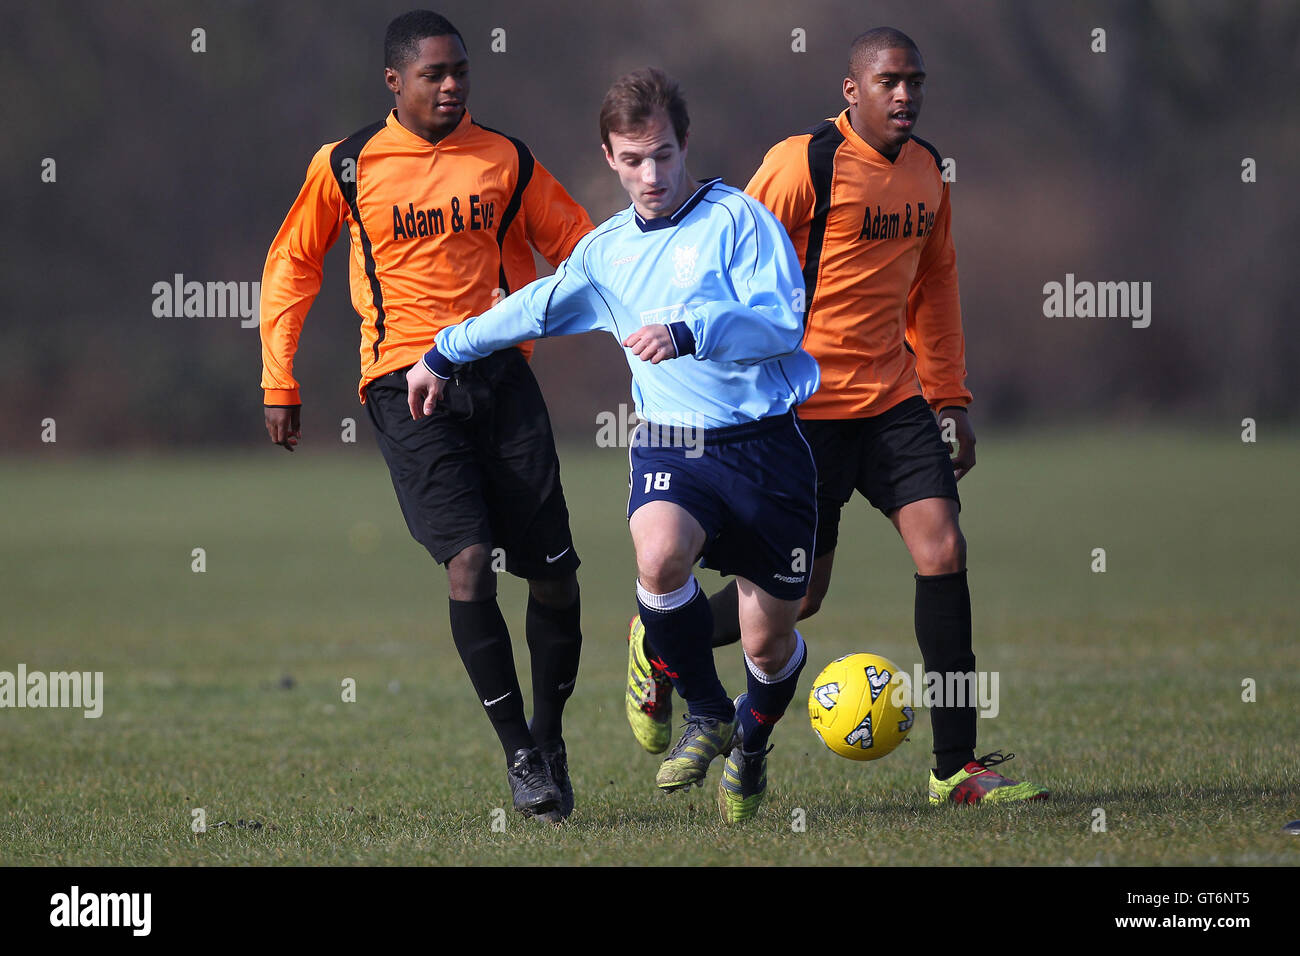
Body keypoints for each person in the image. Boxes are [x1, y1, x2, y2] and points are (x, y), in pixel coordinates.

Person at [623, 28, 1049, 805]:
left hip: (893, 402)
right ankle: (662, 639)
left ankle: (955, 766)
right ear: (852, 90)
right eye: (888, 81)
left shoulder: (927, 172)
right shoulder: (802, 163)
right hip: (800, 412)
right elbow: (726, 253)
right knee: (798, 600)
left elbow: (936, 285)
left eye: (915, 80)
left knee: (943, 549)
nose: (905, 95)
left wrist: (950, 398)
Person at [407, 68, 821, 824]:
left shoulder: (738, 220)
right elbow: (533, 306)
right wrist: (445, 349)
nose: (652, 174)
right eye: (633, 160)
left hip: (765, 450)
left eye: (663, 154)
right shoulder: (606, 252)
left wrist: (692, 332)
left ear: (684, 143)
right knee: (658, 556)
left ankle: (752, 744)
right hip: (672, 445)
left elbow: (783, 324)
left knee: (768, 643)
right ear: (609, 157)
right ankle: (704, 710)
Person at [259, 10, 593, 823]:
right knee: (470, 563)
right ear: (393, 82)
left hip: (500, 377)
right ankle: (519, 754)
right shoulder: (345, 165)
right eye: (434, 74)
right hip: (403, 385)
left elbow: (582, 246)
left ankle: (549, 735)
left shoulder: (506, 158)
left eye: (461, 73)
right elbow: (292, 263)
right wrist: (280, 379)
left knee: (552, 574)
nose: (451, 87)